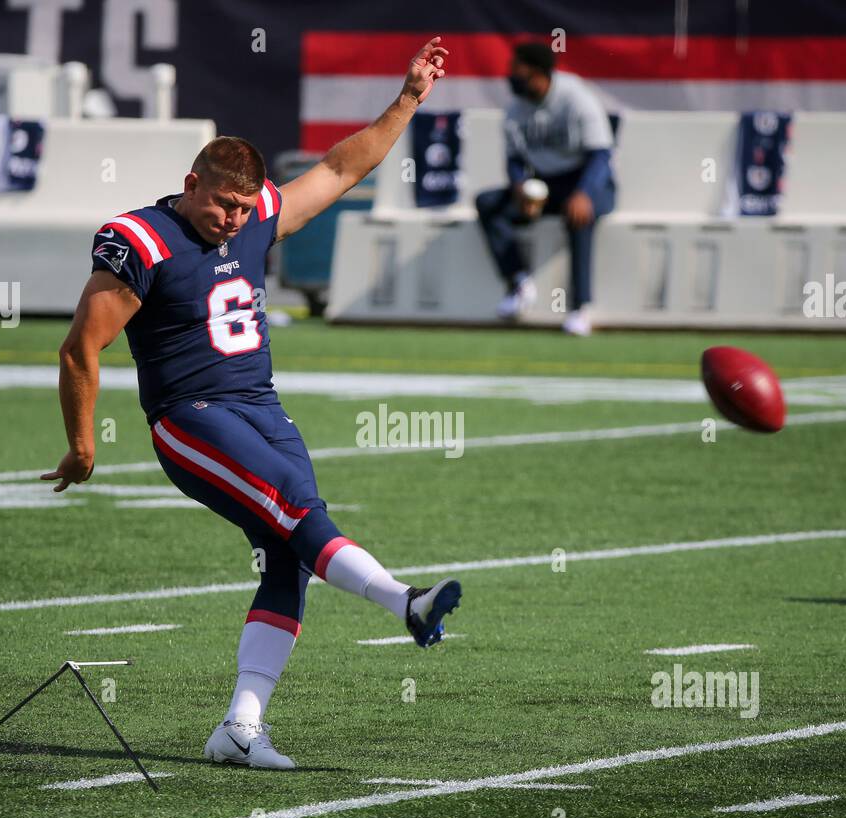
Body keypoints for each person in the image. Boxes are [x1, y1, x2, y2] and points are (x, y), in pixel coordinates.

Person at [41, 38, 461, 771]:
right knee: (300, 505)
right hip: (190, 417)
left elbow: (339, 166)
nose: (235, 219)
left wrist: (407, 98)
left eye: (244, 208)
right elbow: (82, 347)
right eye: (222, 204)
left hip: (259, 405)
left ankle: (240, 727)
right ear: (190, 182)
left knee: (291, 558)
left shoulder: (263, 209)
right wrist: (83, 445)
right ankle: (406, 603)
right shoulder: (141, 239)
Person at [475, 42, 616, 336]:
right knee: (488, 203)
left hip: (586, 180)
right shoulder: (516, 108)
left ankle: (579, 308)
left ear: (539, 75)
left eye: (518, 72)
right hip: (544, 186)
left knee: (578, 215)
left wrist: (584, 193)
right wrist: (520, 189)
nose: (512, 77)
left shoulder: (575, 97)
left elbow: (600, 154)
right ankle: (518, 282)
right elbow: (514, 159)